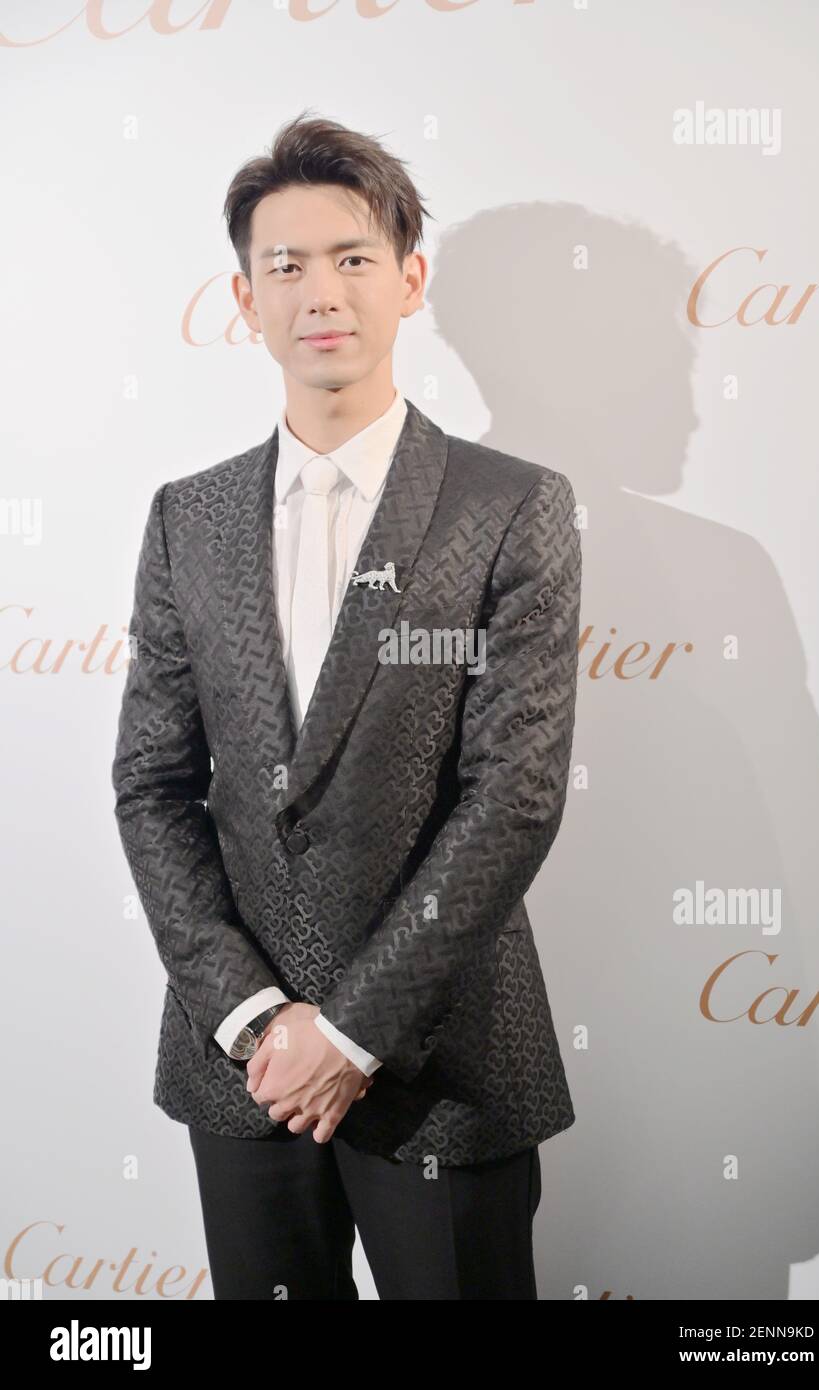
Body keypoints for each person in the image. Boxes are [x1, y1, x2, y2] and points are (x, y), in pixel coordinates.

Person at [111, 110, 582, 1301]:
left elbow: (513, 797)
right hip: (244, 1075)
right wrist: (262, 1020)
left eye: (354, 258)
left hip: (442, 1063)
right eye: (287, 265)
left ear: (409, 279)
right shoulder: (186, 518)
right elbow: (153, 786)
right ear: (245, 300)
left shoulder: (510, 507)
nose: (322, 291)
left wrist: (353, 1032)